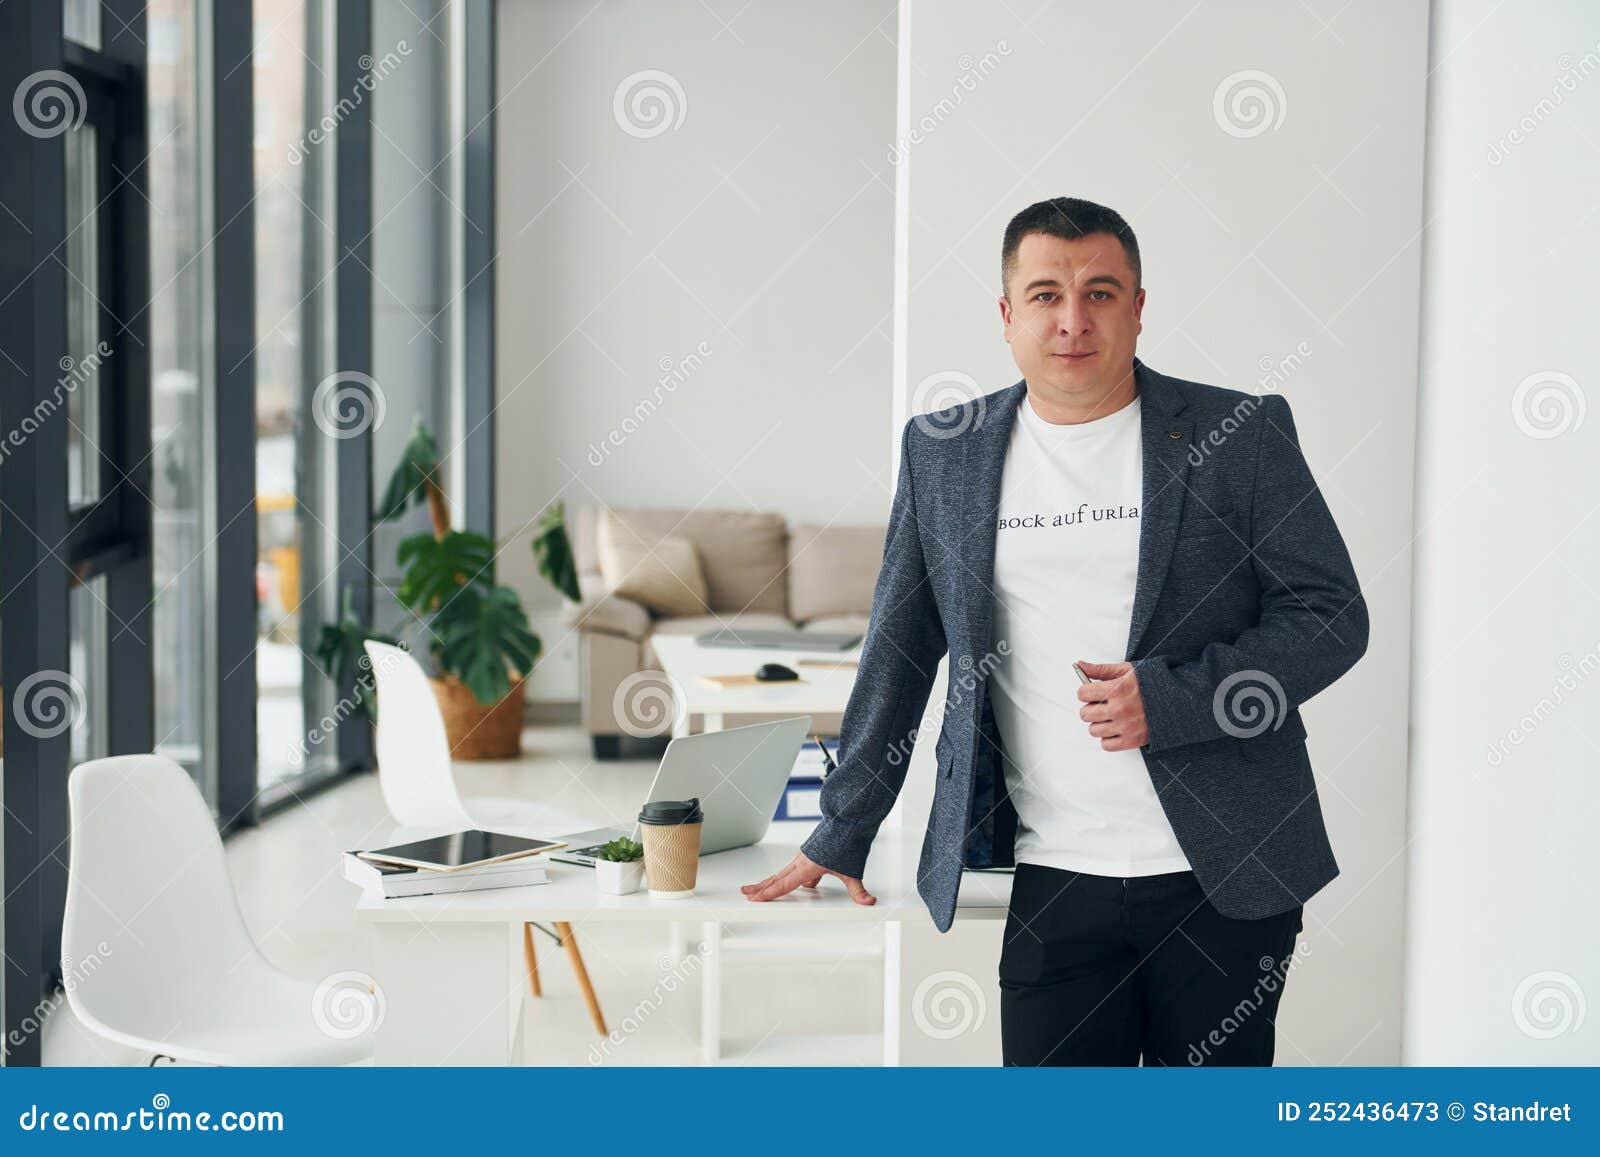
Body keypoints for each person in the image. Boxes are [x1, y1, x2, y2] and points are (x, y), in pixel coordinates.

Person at [741, 196, 1368, 1066]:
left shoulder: (1239, 435)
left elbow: (1330, 612)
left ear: (1138, 307)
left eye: (1100, 293)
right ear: (1007, 315)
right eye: (1045, 295)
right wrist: (843, 826)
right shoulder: (945, 450)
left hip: (1225, 868)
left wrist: (1177, 700)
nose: (1073, 320)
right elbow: (901, 645)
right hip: (1054, 871)